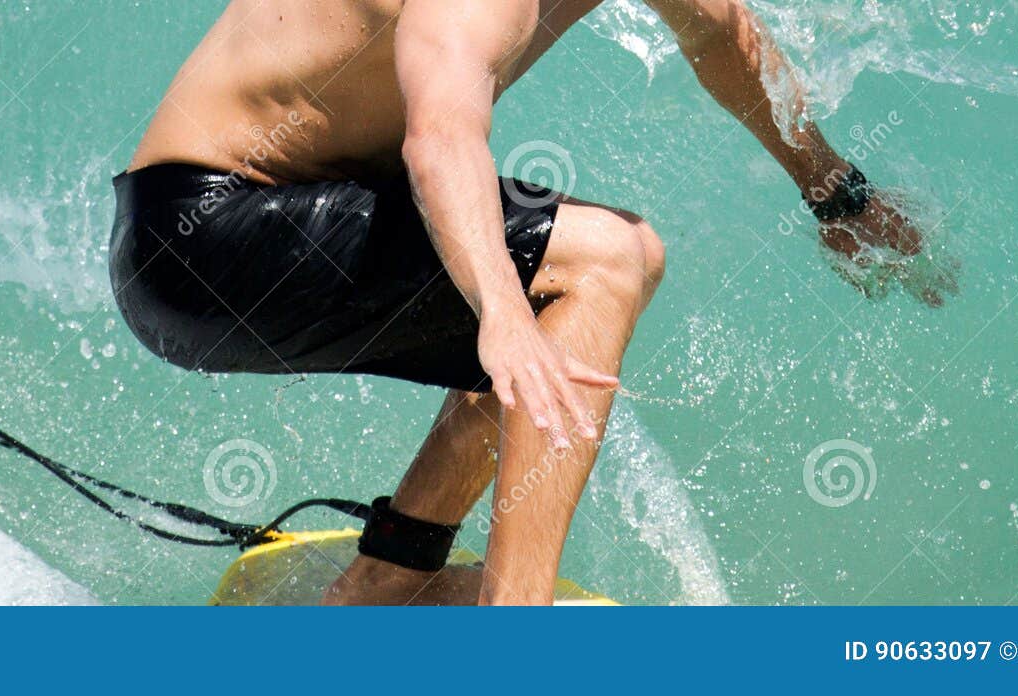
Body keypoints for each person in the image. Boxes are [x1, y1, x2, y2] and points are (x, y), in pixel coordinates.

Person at [109, 0, 925, 605]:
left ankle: (386, 580)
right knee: (607, 260)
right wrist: (498, 313)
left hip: (280, 212)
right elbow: (438, 140)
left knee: (554, 290)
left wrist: (834, 194)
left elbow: (722, 33)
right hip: (200, 242)